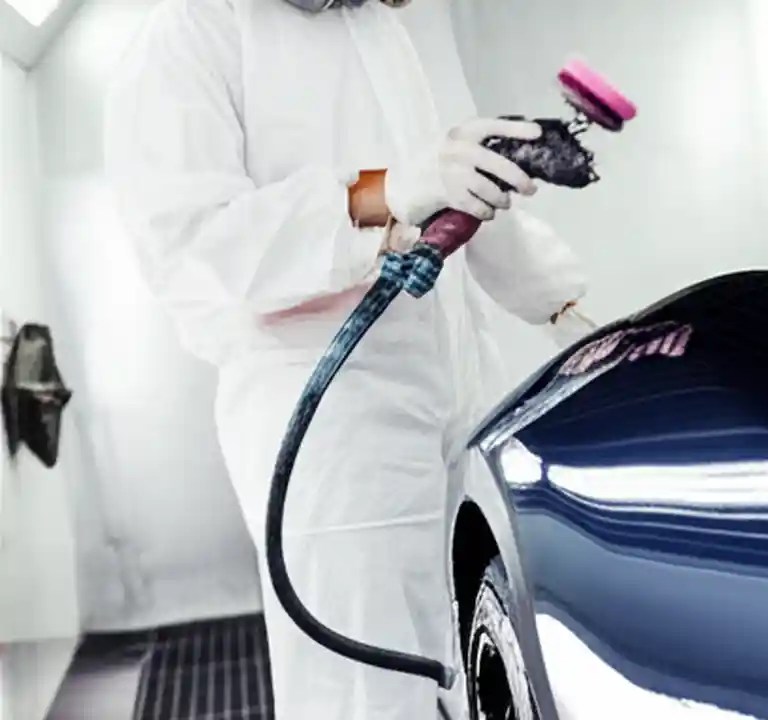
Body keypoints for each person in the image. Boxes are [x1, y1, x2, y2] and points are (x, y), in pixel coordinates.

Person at [103, 0, 591, 717]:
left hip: (451, 399)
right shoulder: (191, 27)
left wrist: (569, 313)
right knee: (368, 693)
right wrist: (383, 194)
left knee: (463, 672)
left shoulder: (392, 23)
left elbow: (466, 191)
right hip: (327, 426)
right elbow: (202, 243)